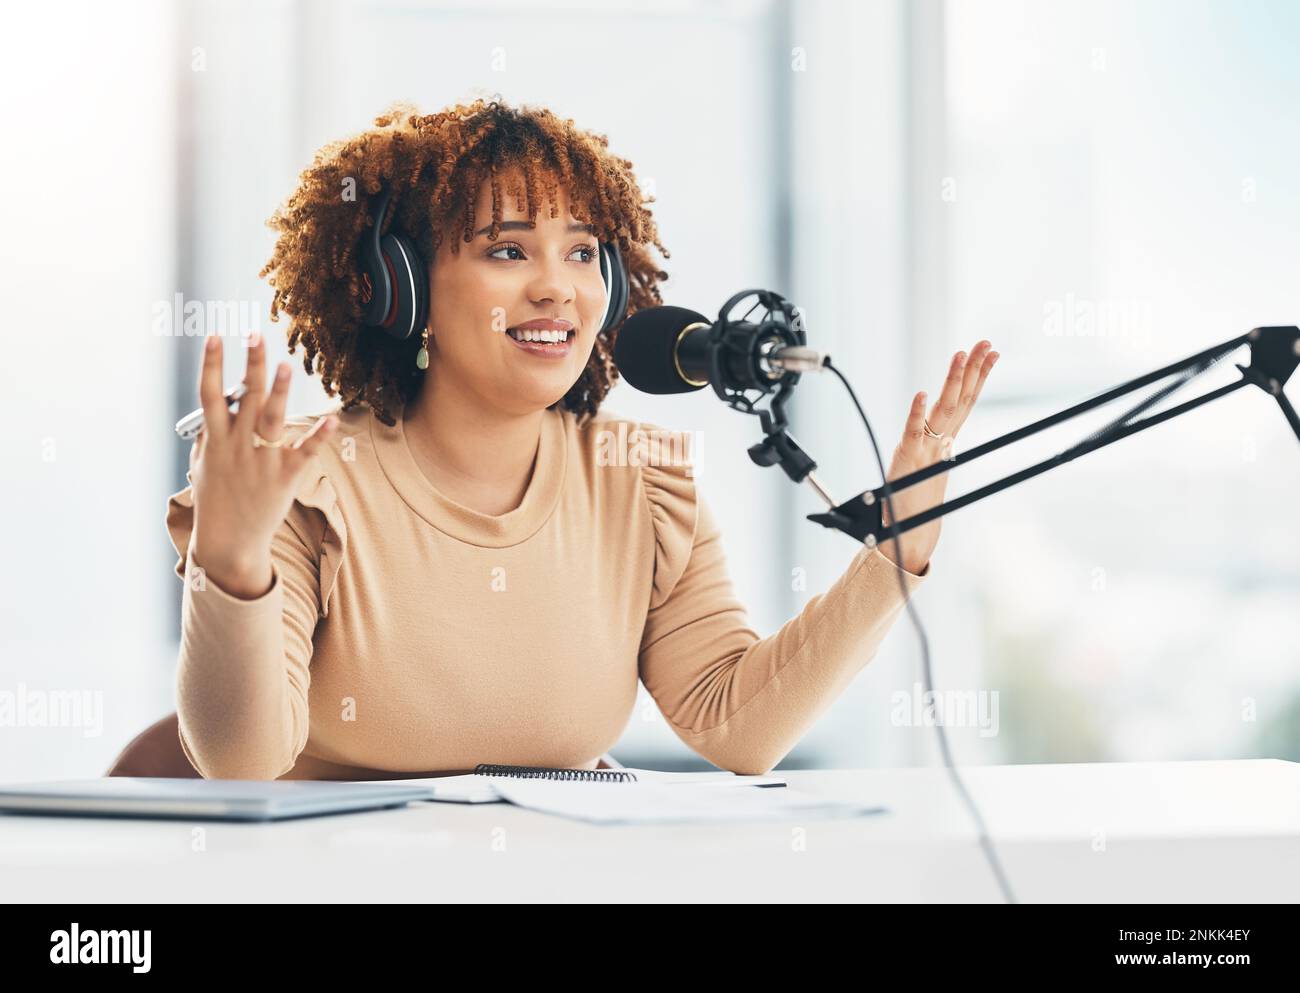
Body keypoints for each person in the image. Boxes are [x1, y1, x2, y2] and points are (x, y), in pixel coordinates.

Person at [165, 98, 999, 780]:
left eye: (582, 252)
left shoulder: (642, 478)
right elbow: (242, 761)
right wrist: (232, 563)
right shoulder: (300, 481)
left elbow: (737, 724)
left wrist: (899, 547)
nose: (557, 288)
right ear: (402, 289)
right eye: (507, 250)